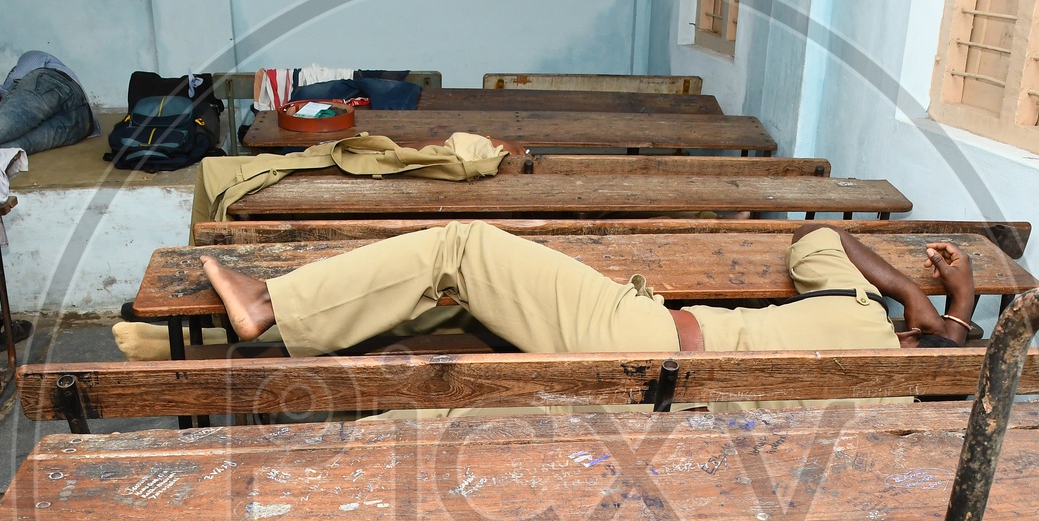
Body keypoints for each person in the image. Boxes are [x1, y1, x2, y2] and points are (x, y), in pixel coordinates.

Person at [195, 219, 979, 357]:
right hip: (654, 358)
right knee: (446, 303)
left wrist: (916, 291)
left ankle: (268, 305)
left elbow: (819, 239)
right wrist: (949, 314)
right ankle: (310, 316)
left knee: (461, 252)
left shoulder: (858, 308)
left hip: (643, 342)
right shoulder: (893, 388)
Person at [0, 50, 97, 155]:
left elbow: (11, 113)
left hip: (58, 84)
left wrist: (1, 111)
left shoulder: (31, 58)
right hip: (83, 124)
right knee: (4, 150)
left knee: (9, 120)